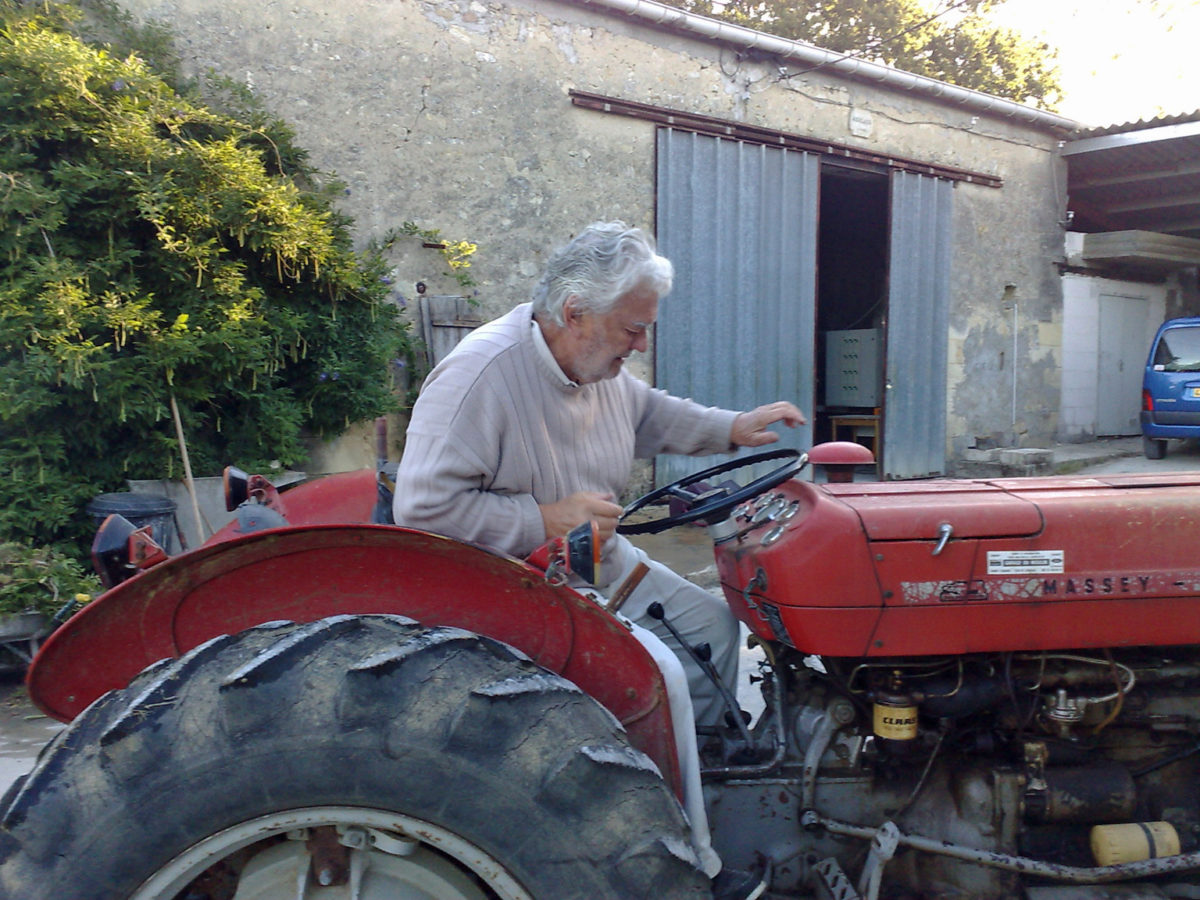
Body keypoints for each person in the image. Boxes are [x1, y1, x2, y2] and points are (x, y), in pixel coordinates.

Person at [393, 221, 804, 898]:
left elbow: (651, 416)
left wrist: (731, 428)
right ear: (574, 313)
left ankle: (700, 785)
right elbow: (423, 510)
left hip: (596, 564)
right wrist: (541, 518)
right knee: (666, 674)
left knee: (710, 627)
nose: (642, 344)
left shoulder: (596, 367)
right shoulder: (482, 376)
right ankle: (682, 856)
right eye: (632, 328)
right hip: (520, 582)